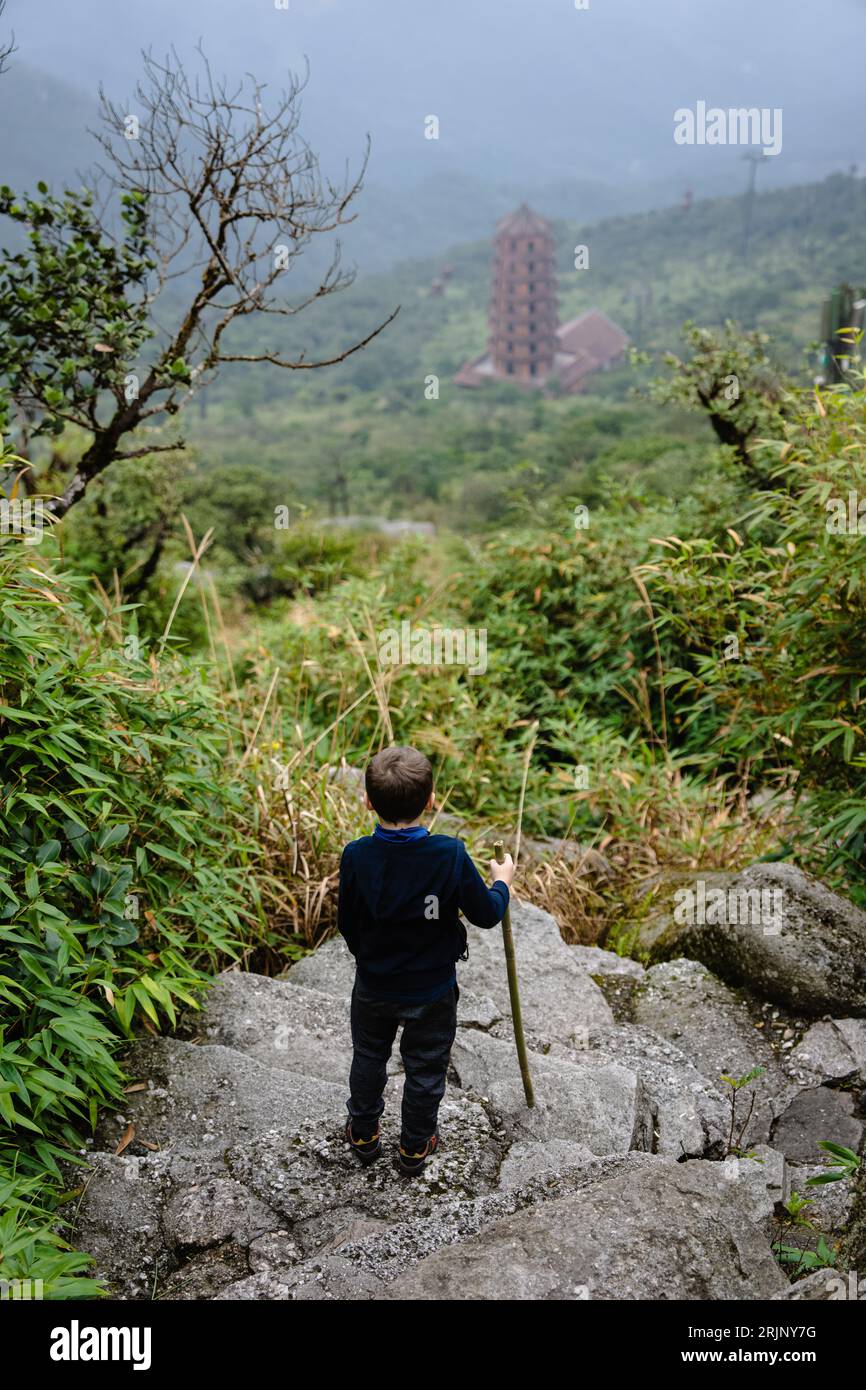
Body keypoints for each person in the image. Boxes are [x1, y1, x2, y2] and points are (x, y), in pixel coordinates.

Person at [337, 745, 515, 1175]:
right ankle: (415, 1147)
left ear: (367, 801)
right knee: (425, 1066)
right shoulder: (448, 855)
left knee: (369, 1055)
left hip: (374, 985)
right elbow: (487, 915)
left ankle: (363, 1135)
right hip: (433, 989)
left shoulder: (357, 856)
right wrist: (501, 883)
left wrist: (372, 958)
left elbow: (347, 922)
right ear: (432, 799)